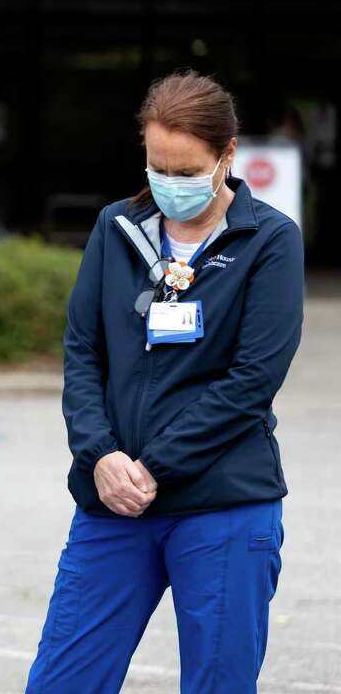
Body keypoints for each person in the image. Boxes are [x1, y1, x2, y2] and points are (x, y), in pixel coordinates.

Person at [25, 71, 304, 693]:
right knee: (63, 679)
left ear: (227, 156)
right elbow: (83, 350)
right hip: (113, 500)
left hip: (223, 504)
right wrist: (99, 457)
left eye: (185, 171)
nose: (169, 184)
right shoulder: (115, 228)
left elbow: (252, 380)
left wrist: (155, 466)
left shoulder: (271, 240)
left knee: (218, 683)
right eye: (158, 166)